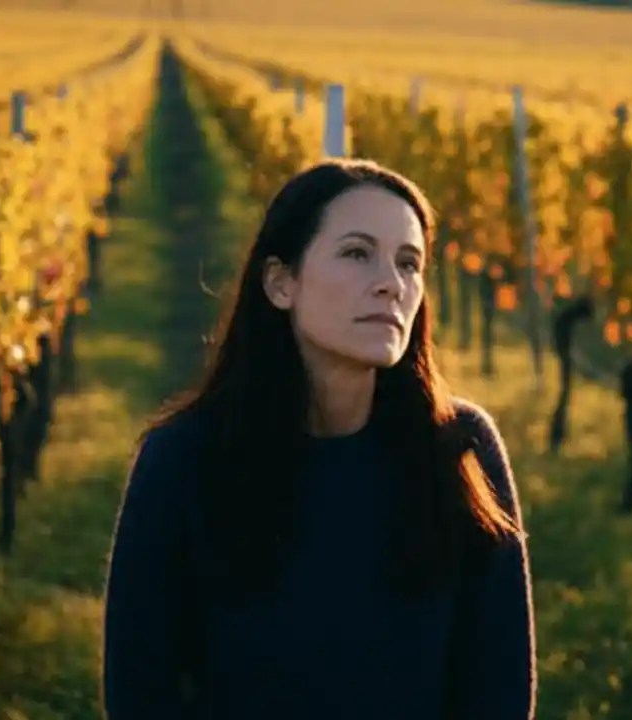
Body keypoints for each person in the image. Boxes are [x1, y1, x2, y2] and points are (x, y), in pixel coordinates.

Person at [100, 158, 536, 719]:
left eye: (410, 264)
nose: (391, 284)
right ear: (281, 283)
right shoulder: (181, 460)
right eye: (357, 254)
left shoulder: (460, 448)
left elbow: (498, 691)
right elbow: (141, 693)